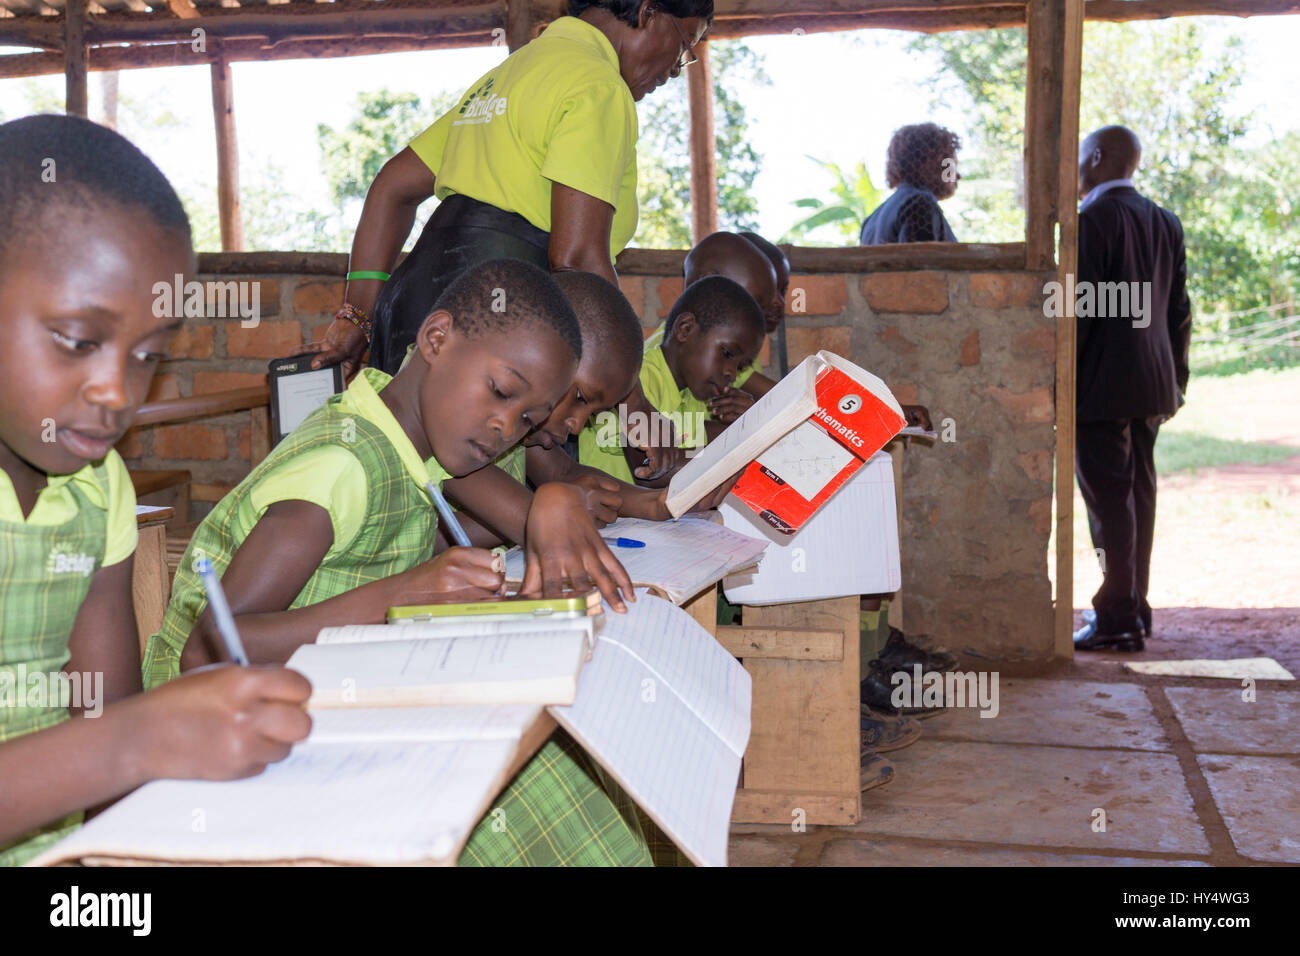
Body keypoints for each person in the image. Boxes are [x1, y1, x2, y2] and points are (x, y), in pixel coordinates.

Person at [0, 114, 311, 866]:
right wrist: (138, 739)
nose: (116, 390)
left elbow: (101, 719)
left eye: (147, 354)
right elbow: (118, 739)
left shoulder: (98, 490)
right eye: (78, 340)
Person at [304, 0, 712, 482]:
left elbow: (392, 187)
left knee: (406, 492)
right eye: (685, 47)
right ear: (647, 13)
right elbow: (577, 257)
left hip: (417, 311)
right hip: (504, 335)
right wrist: (631, 400)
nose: (674, 71)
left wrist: (359, 316)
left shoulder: (510, 74)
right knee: (496, 510)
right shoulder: (600, 86)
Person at [1072, 125, 1192, 652]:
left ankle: (1118, 617)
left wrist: (1060, 383)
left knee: (1109, 504)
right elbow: (1180, 312)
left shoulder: (1090, 221)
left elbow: (1080, 314)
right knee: (1139, 496)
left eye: (1079, 158)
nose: (1075, 171)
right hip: (1153, 384)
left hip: (1101, 389)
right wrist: (1177, 380)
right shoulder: (1166, 222)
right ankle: (1135, 608)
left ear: (1097, 157)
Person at [579, 276, 765, 484]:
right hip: (606, 512)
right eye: (727, 353)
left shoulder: (697, 398)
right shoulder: (637, 380)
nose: (732, 373)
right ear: (685, 329)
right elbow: (649, 471)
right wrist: (744, 437)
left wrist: (746, 423)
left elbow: (694, 444)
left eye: (741, 367)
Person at [860, 122, 961, 245]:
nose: (958, 175)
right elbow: (921, 263)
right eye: (951, 165)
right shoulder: (919, 204)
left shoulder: (872, 220)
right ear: (933, 163)